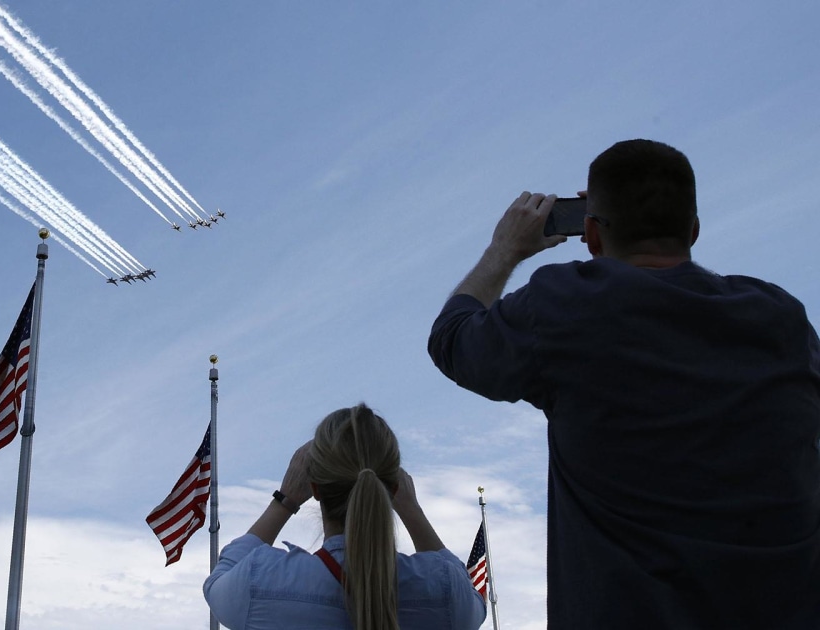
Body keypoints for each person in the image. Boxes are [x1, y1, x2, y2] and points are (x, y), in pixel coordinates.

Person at [428, 139, 820, 628]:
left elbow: (452, 339)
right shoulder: (782, 320)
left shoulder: (566, 305)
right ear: (693, 230)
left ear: (591, 234)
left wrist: (505, 249)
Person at [203, 404, 486, 630]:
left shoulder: (262, 581)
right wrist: (412, 510)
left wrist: (285, 500)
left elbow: (218, 581)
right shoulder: (443, 590)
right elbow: (468, 594)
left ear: (314, 488)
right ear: (394, 488)